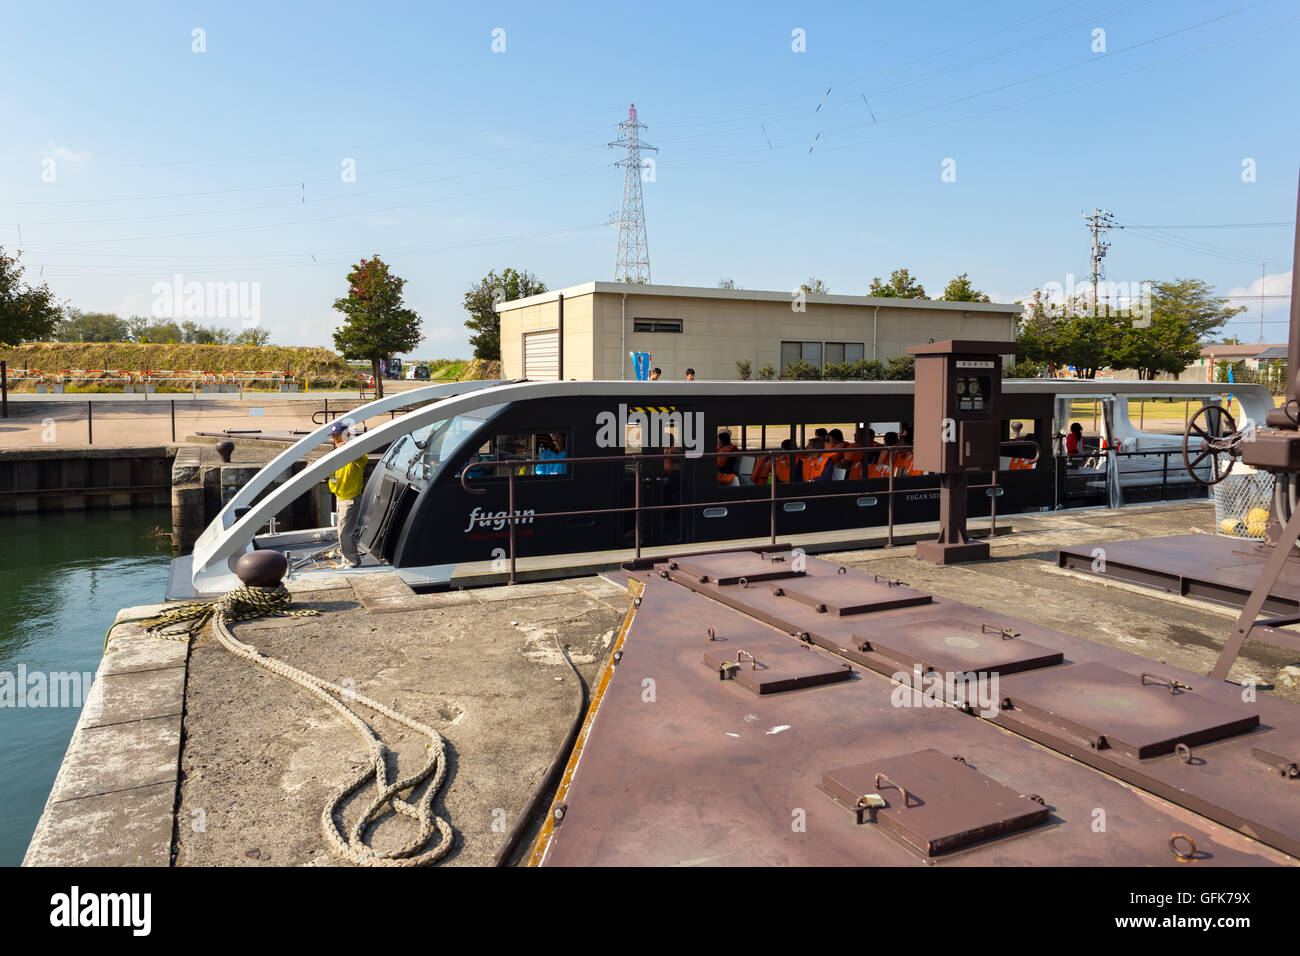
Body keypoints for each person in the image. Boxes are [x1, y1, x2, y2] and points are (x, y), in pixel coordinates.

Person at [327, 422, 369, 568]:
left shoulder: (355, 451)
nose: (335, 439)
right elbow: (332, 475)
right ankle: (346, 560)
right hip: (340, 497)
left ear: (346, 435)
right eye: (333, 436)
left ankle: (352, 561)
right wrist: (333, 485)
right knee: (341, 531)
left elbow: (363, 460)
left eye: (337, 436)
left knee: (346, 532)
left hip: (350, 498)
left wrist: (347, 448)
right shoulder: (335, 454)